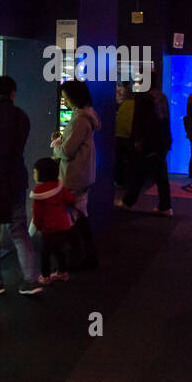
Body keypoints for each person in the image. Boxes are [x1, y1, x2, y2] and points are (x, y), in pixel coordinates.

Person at [0, 75, 42, 297]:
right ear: (13, 93)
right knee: (19, 230)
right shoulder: (21, 116)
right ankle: (31, 280)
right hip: (16, 178)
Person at [52, 79, 101, 269]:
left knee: (70, 218)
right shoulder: (88, 116)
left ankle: (75, 259)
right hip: (84, 174)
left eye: (65, 98)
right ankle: (88, 256)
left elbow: (67, 152)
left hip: (74, 175)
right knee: (80, 215)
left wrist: (57, 145)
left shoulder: (79, 120)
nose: (64, 101)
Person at [117, 88, 172, 215]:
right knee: (160, 175)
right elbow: (165, 119)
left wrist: (137, 140)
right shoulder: (161, 96)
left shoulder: (142, 98)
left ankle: (128, 202)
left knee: (139, 173)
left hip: (147, 142)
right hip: (162, 141)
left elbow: (139, 122)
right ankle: (165, 206)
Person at [30, 157, 75, 283]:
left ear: (42, 174)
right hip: (64, 227)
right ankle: (63, 273)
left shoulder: (38, 192)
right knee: (59, 250)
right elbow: (71, 199)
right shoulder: (59, 186)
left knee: (45, 253)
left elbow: (37, 214)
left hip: (49, 229)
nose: (33, 174)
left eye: (35, 172)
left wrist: (38, 227)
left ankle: (45, 277)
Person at [113, 83, 135, 189]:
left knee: (119, 161)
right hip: (129, 137)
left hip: (119, 136)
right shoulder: (134, 104)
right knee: (130, 161)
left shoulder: (124, 104)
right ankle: (129, 181)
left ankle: (119, 181)